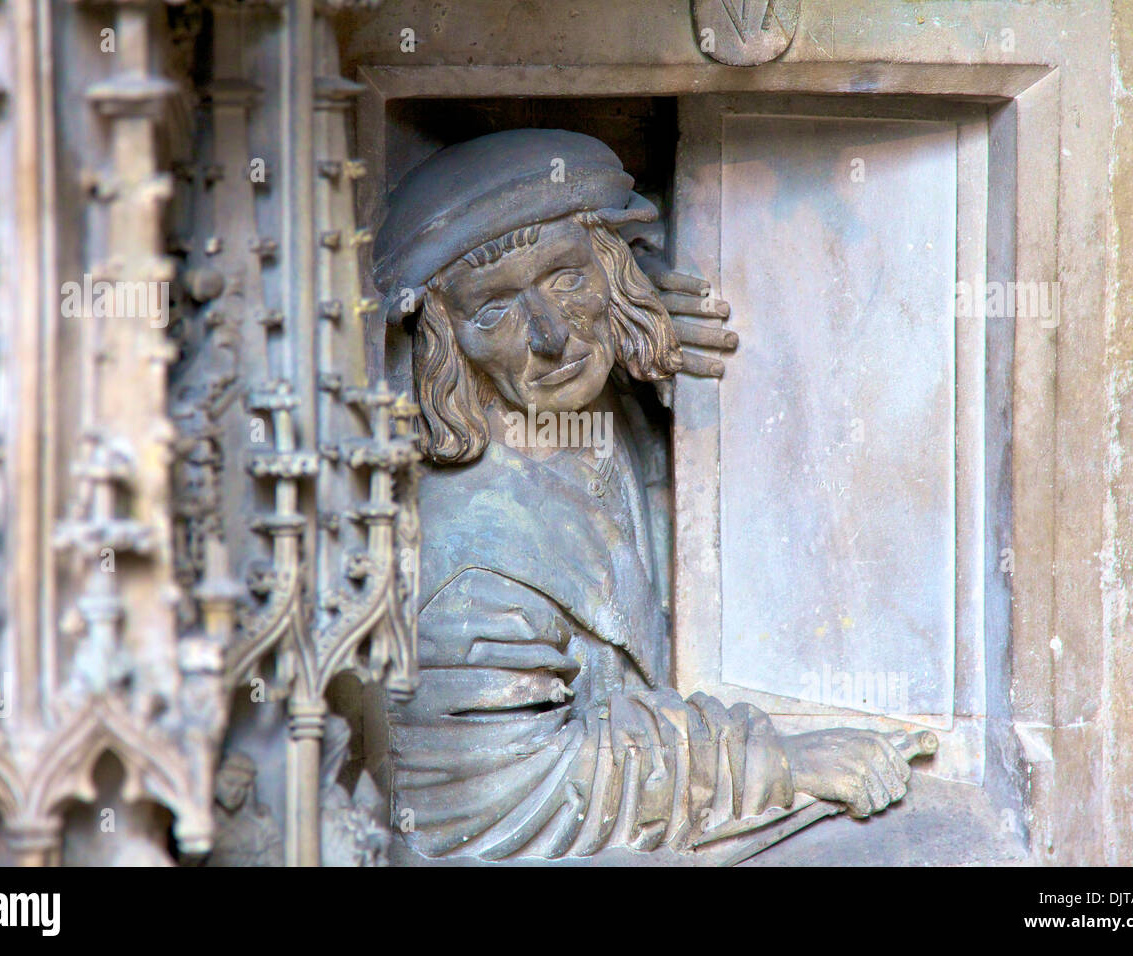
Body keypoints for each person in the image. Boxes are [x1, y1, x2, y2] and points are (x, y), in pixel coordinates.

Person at [373, 129, 916, 861]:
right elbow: (497, 802)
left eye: (566, 277)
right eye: (494, 312)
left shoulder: (599, 406)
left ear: (610, 267)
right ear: (443, 341)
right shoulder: (468, 559)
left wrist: (655, 311)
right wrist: (778, 767)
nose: (551, 336)